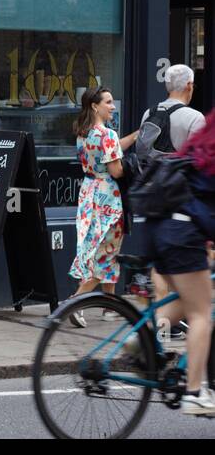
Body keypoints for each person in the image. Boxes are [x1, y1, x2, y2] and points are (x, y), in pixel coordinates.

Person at [148, 108, 215, 414]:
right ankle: (195, 393)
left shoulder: (202, 143)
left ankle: (140, 342)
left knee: (186, 300)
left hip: (161, 227)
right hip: (183, 232)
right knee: (203, 311)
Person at [132, 63, 206, 328]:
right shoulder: (195, 118)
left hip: (152, 201)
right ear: (189, 86)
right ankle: (170, 323)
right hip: (180, 204)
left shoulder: (147, 114)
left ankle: (161, 329)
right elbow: (201, 165)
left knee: (161, 268)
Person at [68, 87, 138, 327]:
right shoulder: (106, 134)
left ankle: (110, 305)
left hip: (89, 195)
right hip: (108, 198)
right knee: (107, 253)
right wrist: (132, 165)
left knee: (101, 248)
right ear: (95, 106)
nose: (113, 106)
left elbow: (111, 148)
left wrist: (135, 136)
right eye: (108, 102)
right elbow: (115, 169)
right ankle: (75, 302)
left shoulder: (83, 133)